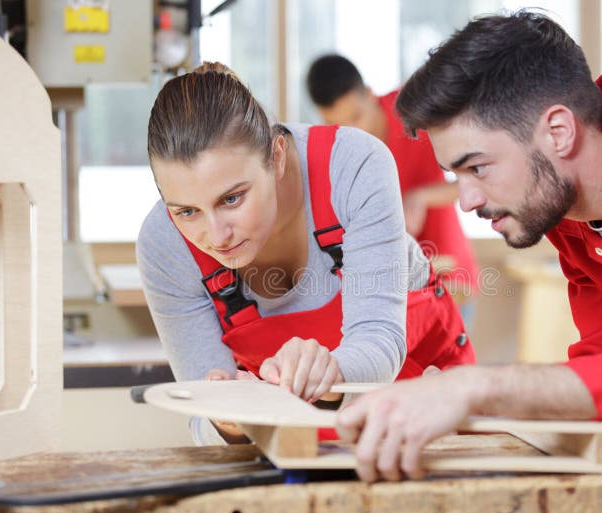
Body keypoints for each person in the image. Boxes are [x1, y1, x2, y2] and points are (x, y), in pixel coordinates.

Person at [335, 12, 602, 513]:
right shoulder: (573, 216)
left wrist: (479, 389)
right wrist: (471, 416)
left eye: (477, 167)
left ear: (558, 131)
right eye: (456, 174)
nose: (465, 199)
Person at [137, 62, 475, 445]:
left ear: (277, 156)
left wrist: (329, 369)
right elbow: (200, 420)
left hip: (424, 414)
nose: (216, 236)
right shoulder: (163, 244)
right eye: (186, 211)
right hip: (294, 448)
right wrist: (229, 421)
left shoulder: (354, 165)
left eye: (232, 198)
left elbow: (378, 338)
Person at [306, 55, 479, 320]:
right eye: (340, 124)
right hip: (392, 292)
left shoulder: (414, 109)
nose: (353, 130)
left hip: (448, 274)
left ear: (369, 93)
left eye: (356, 116)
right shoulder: (336, 149)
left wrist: (420, 197)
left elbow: (477, 177)